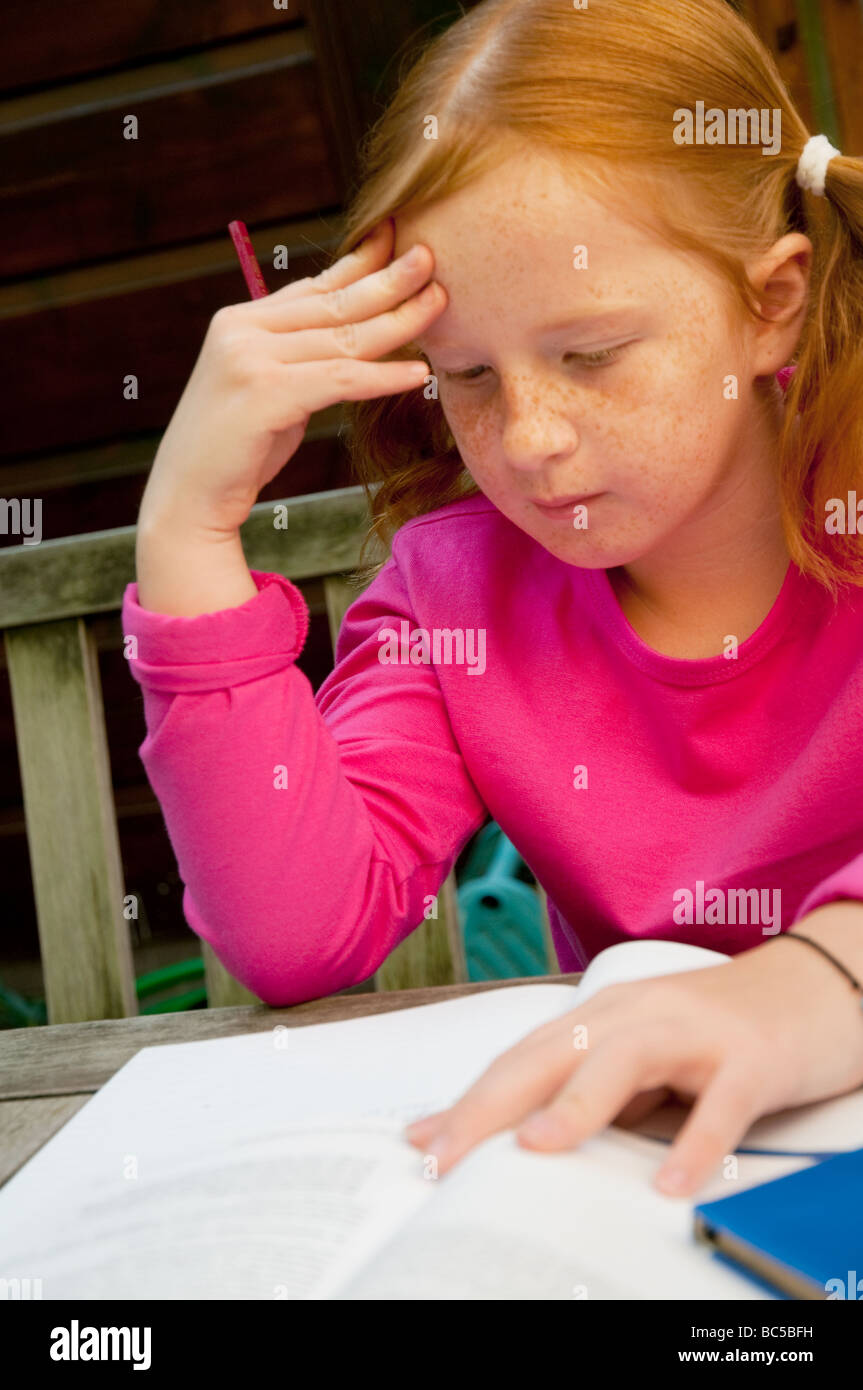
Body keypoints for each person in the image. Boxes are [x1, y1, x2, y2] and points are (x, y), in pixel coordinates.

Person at [123, 0, 863, 1197]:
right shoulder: (450, 595)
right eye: (465, 376)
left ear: (768, 301)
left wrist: (815, 980)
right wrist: (189, 531)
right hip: (648, 1194)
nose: (526, 439)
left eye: (590, 354)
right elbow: (298, 936)